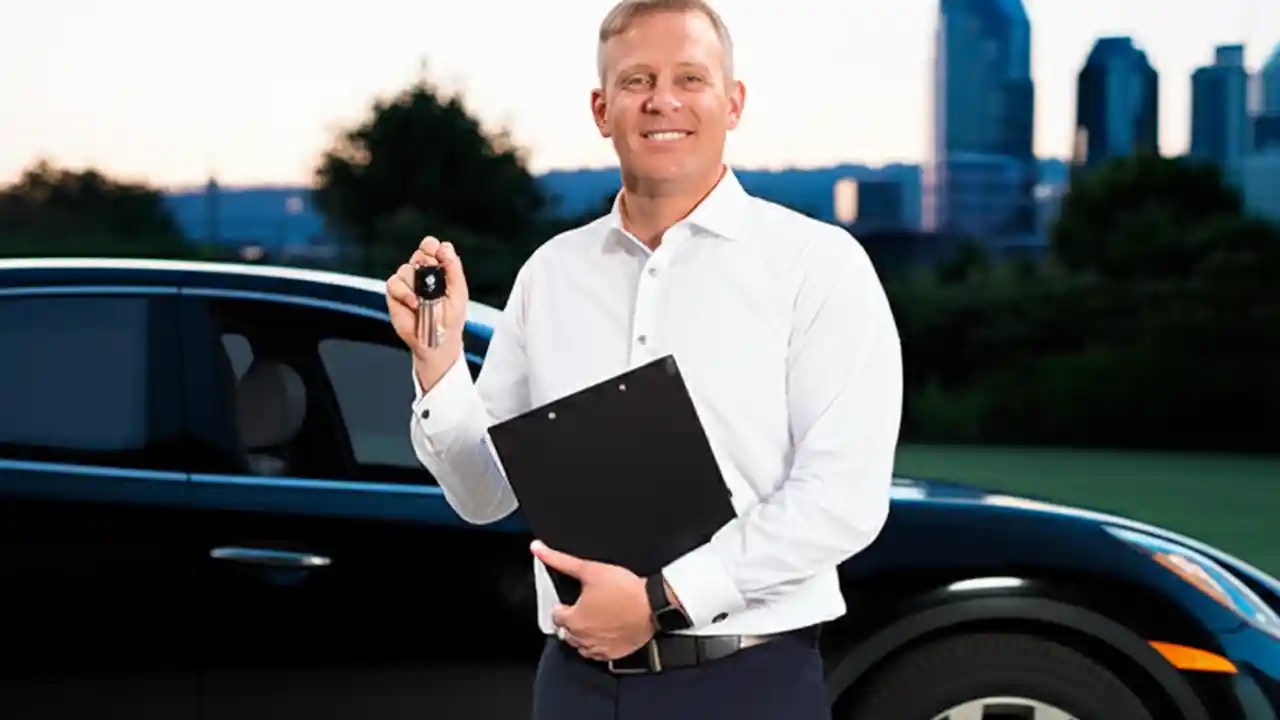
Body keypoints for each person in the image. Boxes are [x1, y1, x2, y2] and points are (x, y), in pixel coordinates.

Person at [383, 1, 902, 717]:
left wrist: (661, 601)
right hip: (576, 685)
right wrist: (439, 368)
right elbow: (484, 497)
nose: (663, 99)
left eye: (690, 77)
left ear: (734, 102)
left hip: (747, 681)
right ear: (601, 109)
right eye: (636, 81)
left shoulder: (817, 266)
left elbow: (843, 498)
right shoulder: (551, 274)